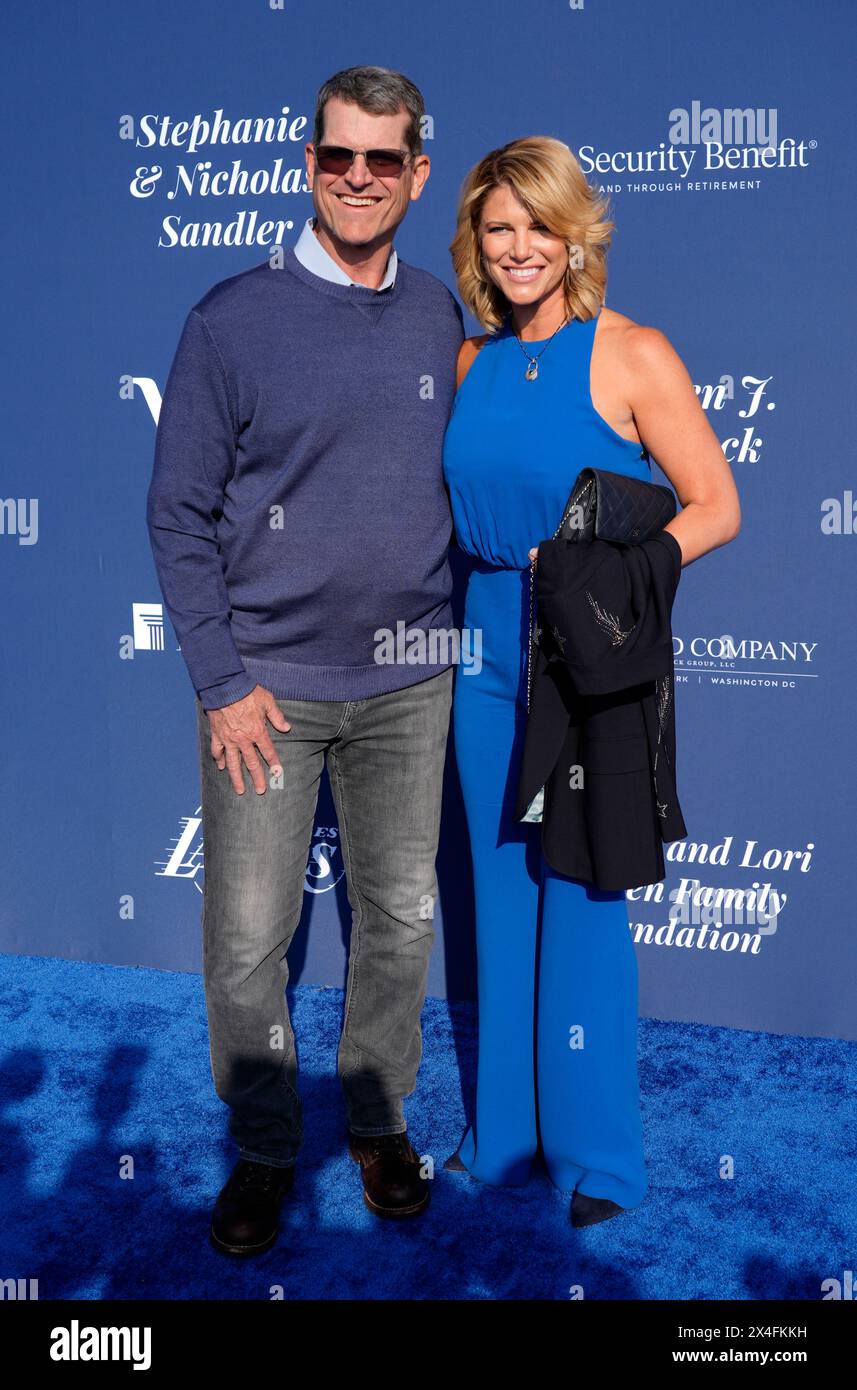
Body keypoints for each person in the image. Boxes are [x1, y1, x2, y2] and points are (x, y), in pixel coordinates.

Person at [146, 66, 464, 1256]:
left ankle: (378, 1119)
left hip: (410, 680)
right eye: (339, 156)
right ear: (308, 162)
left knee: (396, 915)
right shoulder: (230, 319)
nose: (359, 179)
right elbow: (176, 513)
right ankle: (269, 1143)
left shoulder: (441, 314)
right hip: (266, 692)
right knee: (246, 933)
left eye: (384, 160)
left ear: (416, 173)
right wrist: (222, 681)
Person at [441, 136, 741, 1226]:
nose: (519, 248)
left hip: (582, 654)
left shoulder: (630, 353)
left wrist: (610, 572)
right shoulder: (470, 362)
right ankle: (506, 1138)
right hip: (478, 646)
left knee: (584, 889)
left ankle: (599, 1159)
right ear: (475, 238)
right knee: (500, 883)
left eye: (538, 226)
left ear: (575, 235)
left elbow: (713, 504)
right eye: (498, 226)